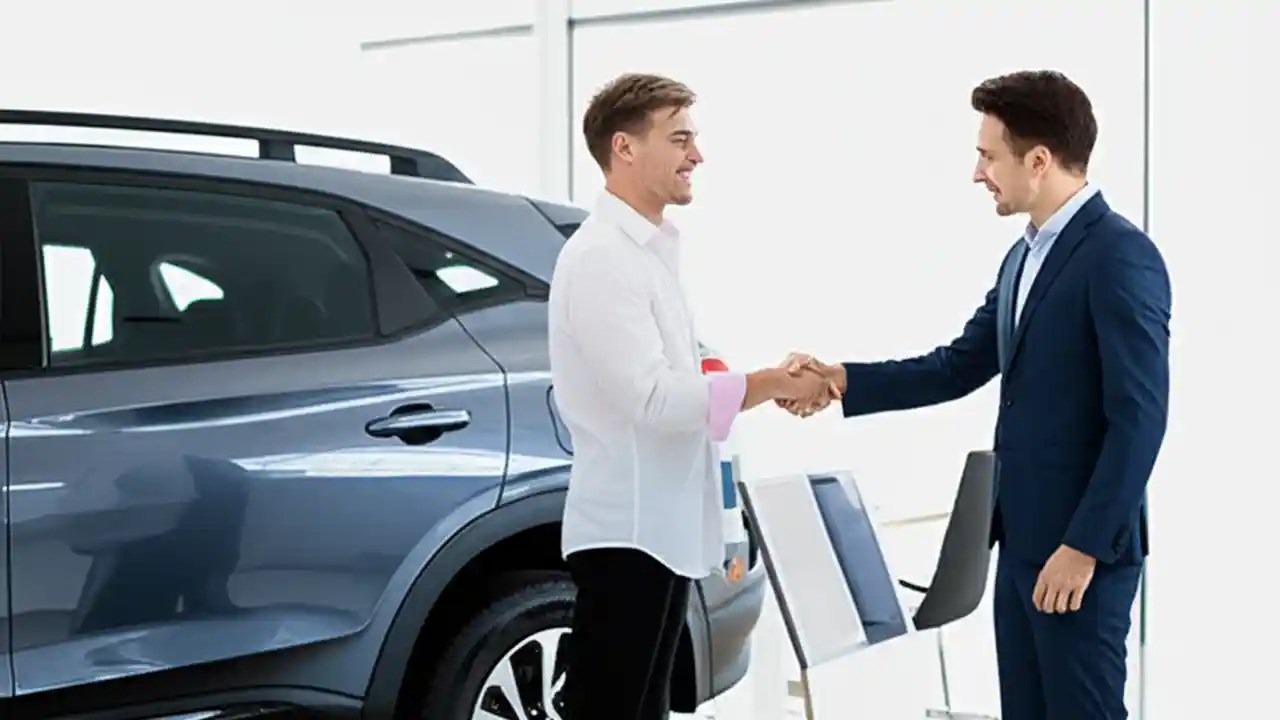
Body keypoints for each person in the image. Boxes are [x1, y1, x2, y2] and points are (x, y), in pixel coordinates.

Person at [781, 70, 1171, 720]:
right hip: (1019, 546)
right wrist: (840, 379)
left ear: (1038, 161)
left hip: (1079, 557)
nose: (976, 172)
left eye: (989, 155)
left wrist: (1082, 549)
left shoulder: (1119, 256)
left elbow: (1140, 419)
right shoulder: (1023, 258)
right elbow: (957, 366)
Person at [548, 72, 834, 719]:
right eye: (680, 139)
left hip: (662, 530)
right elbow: (652, 398)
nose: (696, 156)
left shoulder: (647, 255)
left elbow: (689, 362)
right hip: (629, 534)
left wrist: (767, 376)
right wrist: (767, 385)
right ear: (624, 148)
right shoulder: (602, 259)